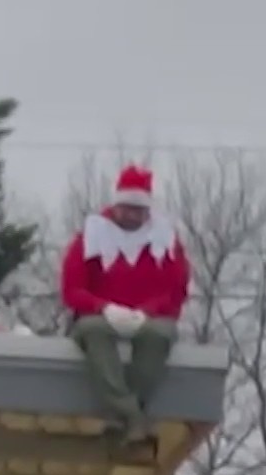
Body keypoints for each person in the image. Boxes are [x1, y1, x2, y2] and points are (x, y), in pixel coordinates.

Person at [60, 164, 191, 446]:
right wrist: (104, 307)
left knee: (159, 336)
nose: (131, 215)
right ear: (116, 206)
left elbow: (176, 289)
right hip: (101, 315)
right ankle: (132, 415)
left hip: (149, 317)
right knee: (93, 331)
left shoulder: (166, 241)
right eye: (126, 208)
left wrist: (147, 312)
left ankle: (123, 417)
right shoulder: (90, 237)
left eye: (138, 209)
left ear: (147, 211)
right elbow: (72, 289)